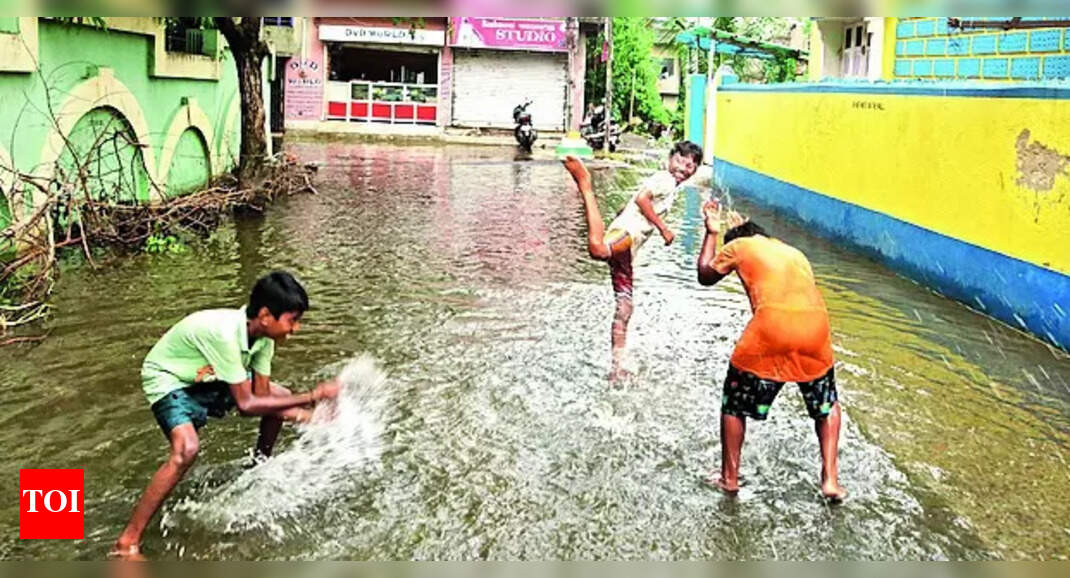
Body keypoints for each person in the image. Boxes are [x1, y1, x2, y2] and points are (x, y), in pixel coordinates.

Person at [111, 271, 340, 559]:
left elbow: (264, 397)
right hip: (169, 379)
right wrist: (311, 400)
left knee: (280, 396)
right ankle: (126, 542)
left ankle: (260, 467)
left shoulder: (263, 340)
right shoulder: (225, 335)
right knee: (186, 449)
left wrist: (309, 414)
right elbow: (246, 406)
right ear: (267, 315)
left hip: (205, 375)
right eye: (293, 320)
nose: (296, 329)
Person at [696, 202, 847, 501]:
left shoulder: (738, 245)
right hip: (815, 330)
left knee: (735, 404)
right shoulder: (795, 253)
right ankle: (830, 480)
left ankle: (729, 479)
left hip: (771, 328)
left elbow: (705, 274)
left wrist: (712, 232)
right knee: (827, 404)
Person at [562, 141, 703, 383]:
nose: (684, 167)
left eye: (690, 165)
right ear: (670, 160)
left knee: (625, 306)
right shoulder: (666, 180)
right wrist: (664, 229)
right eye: (680, 160)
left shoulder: (668, 184)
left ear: (695, 171)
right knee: (597, 249)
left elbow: (635, 201)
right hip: (629, 233)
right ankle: (585, 185)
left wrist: (621, 212)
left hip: (631, 244)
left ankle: (617, 368)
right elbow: (642, 200)